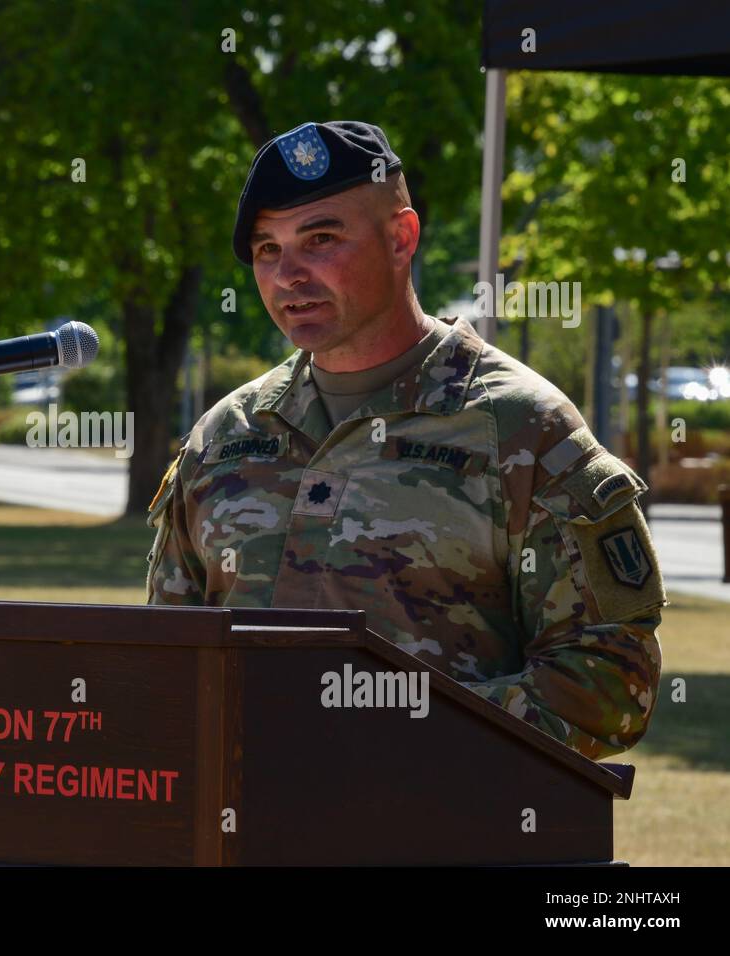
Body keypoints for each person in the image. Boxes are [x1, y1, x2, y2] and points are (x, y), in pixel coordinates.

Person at [145, 120, 665, 761]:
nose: (288, 275)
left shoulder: (520, 428)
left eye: (321, 239)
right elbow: (167, 656)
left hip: (440, 835)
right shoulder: (225, 435)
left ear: (401, 237)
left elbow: (613, 674)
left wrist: (410, 739)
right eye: (267, 250)